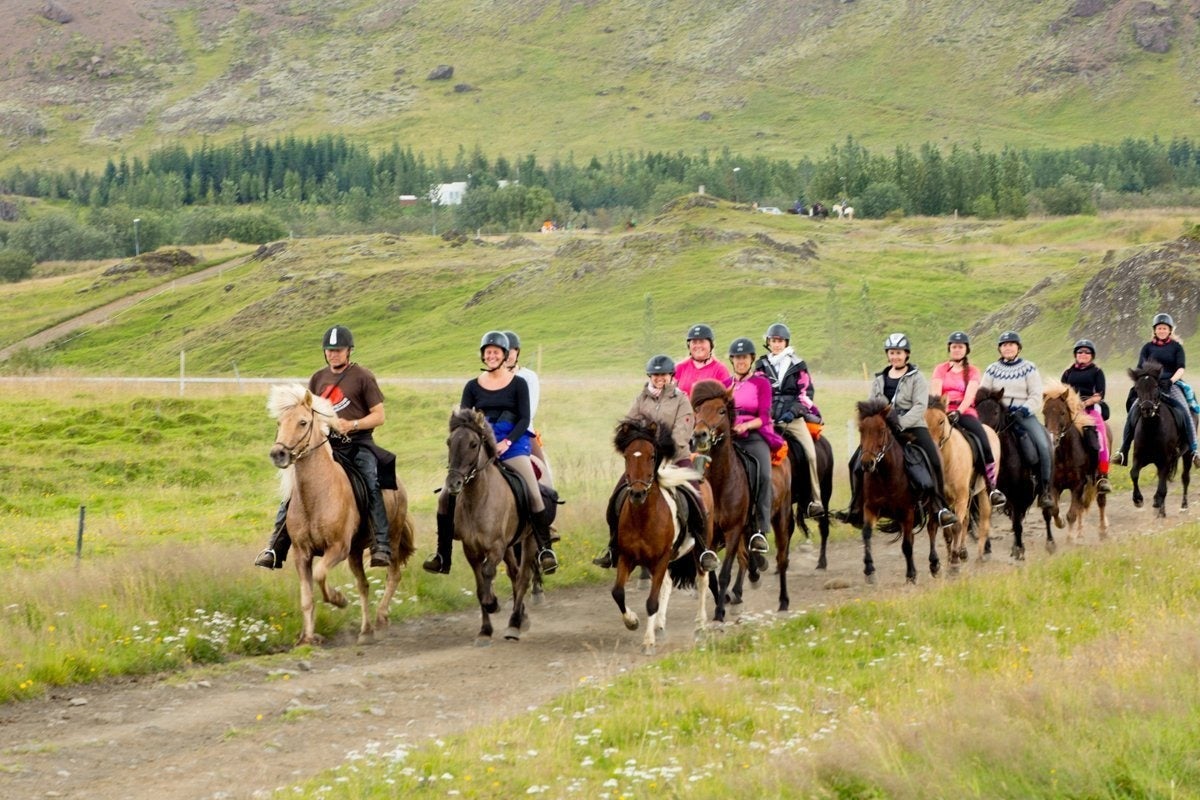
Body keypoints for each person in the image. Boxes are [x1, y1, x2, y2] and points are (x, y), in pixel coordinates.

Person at [255, 324, 392, 569]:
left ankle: (380, 544)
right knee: (294, 490)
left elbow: (379, 416)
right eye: (329, 350)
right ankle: (275, 547)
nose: (333, 354)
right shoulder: (318, 378)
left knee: (371, 481)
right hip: (326, 445)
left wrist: (353, 424)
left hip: (358, 444)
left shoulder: (363, 376)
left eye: (338, 350)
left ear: (348, 351)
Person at [424, 331, 559, 575]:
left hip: (513, 444)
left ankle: (544, 549)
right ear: (483, 356)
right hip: (481, 446)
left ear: (505, 355)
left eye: (496, 352)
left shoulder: (518, 383)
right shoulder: (473, 386)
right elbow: (463, 420)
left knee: (533, 492)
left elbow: (524, 418)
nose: (492, 356)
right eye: (488, 352)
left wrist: (507, 442)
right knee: (445, 495)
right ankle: (442, 555)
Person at [592, 355, 719, 572]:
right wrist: (635, 444)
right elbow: (629, 425)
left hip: (676, 457)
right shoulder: (641, 398)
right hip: (645, 461)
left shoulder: (681, 399)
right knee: (617, 497)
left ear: (671, 376)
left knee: (696, 497)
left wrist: (658, 447)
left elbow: (682, 431)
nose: (659, 378)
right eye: (656, 374)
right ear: (649, 376)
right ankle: (613, 546)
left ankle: (703, 547)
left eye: (663, 375)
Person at [842, 333, 957, 528]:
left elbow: (920, 407)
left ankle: (939, 506)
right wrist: (879, 423)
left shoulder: (917, 378)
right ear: (888, 355)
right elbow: (873, 404)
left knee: (934, 459)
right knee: (855, 461)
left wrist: (900, 423)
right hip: (884, 429)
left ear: (907, 355)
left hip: (912, 426)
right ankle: (856, 506)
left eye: (899, 353)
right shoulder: (879, 379)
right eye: (892, 353)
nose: (895, 356)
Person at [929, 331, 1008, 508]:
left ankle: (991, 486)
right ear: (949, 348)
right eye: (954, 347)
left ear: (966, 350)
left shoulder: (972, 371)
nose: (957, 350)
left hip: (965, 412)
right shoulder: (940, 369)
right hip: (941, 412)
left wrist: (958, 411)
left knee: (982, 438)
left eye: (960, 347)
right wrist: (941, 411)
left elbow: (970, 394)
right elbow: (935, 393)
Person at [754, 323, 824, 517]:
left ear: (786, 343)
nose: (776, 345)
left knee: (810, 454)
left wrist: (793, 412)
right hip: (768, 420)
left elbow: (806, 393)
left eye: (780, 341)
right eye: (773, 341)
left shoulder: (798, 365)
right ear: (768, 343)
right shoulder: (761, 365)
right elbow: (757, 391)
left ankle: (814, 500)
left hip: (792, 420)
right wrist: (765, 413)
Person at [979, 331, 1055, 510]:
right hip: (998, 416)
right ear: (1000, 349)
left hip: (1023, 414)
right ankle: (983, 489)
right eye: (1004, 345)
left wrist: (1023, 410)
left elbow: (1036, 394)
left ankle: (1044, 489)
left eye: (1011, 344)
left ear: (1018, 348)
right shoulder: (991, 369)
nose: (1008, 347)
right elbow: (983, 394)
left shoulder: (1029, 368)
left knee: (1044, 445)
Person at [1113, 313, 1200, 467]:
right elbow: (1140, 368)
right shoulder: (1147, 347)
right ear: (1154, 330)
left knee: (1184, 410)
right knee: (1133, 411)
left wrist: (1171, 381)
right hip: (1150, 386)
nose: (1161, 330)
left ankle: (1194, 451)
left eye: (1164, 328)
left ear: (1170, 330)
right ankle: (1123, 451)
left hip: (1171, 384)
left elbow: (1181, 368)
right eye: (1159, 328)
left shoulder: (1176, 347)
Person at [725, 337, 781, 555]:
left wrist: (745, 425)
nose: (741, 361)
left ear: (751, 359)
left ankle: (760, 529)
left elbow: (765, 417)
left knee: (764, 475)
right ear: (732, 360)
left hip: (754, 435)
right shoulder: (726, 385)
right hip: (730, 437)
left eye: (744, 357)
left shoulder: (761, 383)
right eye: (737, 358)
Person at [502, 330, 553, 488]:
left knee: (544, 473)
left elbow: (529, 410)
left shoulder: (528, 376)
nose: (507, 355)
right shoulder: (490, 377)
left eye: (511, 351)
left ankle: (546, 499)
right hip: (493, 430)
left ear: (517, 352)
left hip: (522, 429)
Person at [1061, 339, 1112, 493]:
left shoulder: (1097, 372)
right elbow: (1062, 392)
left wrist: (1084, 403)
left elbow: (1100, 395)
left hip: (1090, 409)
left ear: (1092, 355)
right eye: (1080, 352)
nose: (1083, 354)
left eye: (1087, 352)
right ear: (1075, 354)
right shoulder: (1068, 372)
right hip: (1071, 410)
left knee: (1101, 436)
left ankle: (1102, 475)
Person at [674, 323, 731, 397]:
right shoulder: (680, 367)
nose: (698, 346)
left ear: (711, 344)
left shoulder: (720, 369)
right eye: (694, 342)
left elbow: (728, 397)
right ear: (689, 345)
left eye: (702, 341)